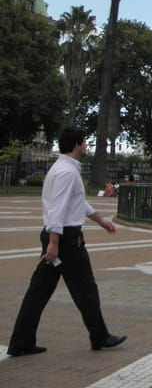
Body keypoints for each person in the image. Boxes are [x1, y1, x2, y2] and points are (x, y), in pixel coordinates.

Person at [6, 127, 127, 357]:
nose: (86, 145)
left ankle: (21, 342)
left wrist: (100, 220)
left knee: (39, 291)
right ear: (76, 145)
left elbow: (75, 203)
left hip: (60, 237)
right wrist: (54, 242)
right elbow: (58, 208)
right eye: (84, 142)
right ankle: (99, 336)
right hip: (66, 240)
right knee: (86, 289)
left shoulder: (62, 168)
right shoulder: (66, 172)